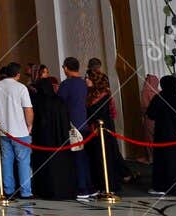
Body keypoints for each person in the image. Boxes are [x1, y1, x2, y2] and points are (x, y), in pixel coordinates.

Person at [0, 62, 34, 200]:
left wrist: (3, 111)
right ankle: (26, 192)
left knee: (6, 161)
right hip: (20, 131)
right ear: (18, 74)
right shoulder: (21, 87)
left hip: (3, 130)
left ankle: (8, 190)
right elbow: (28, 109)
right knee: (23, 161)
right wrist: (29, 125)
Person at [29, 77, 77, 200]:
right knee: (61, 167)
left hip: (43, 142)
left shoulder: (37, 102)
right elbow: (66, 122)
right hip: (60, 141)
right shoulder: (60, 101)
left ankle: (44, 191)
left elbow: (36, 123)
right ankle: (65, 190)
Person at [86, 58, 130, 190]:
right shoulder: (104, 91)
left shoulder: (94, 97)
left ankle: (106, 183)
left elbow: (93, 112)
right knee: (110, 151)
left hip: (98, 127)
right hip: (106, 125)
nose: (86, 80)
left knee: (102, 154)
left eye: (88, 78)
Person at [57, 57, 96, 200]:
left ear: (66, 68)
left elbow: (60, 103)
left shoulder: (66, 85)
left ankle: (82, 188)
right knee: (85, 156)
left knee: (78, 157)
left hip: (73, 126)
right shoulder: (85, 83)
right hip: (86, 124)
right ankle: (90, 186)